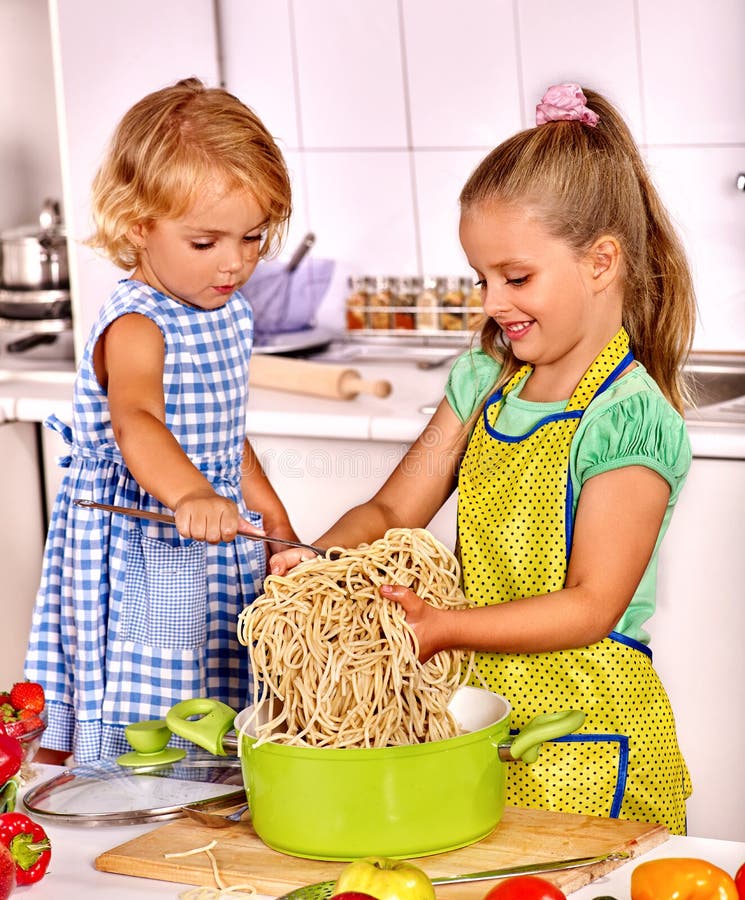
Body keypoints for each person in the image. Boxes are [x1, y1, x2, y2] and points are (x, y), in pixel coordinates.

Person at [271, 84, 697, 834]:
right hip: (477, 708)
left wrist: (443, 628)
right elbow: (392, 508)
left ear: (601, 262)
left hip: (587, 724)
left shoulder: (628, 421)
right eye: (482, 279)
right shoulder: (484, 381)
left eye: (516, 277)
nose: (492, 303)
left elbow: (590, 605)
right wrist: (322, 560)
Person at [25, 77, 300, 764]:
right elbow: (138, 422)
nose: (235, 262)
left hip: (209, 528)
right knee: (156, 698)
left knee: (215, 682)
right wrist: (189, 493)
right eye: (205, 242)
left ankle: (205, 794)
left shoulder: (227, 310)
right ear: (138, 224)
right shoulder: (138, 322)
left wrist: (269, 512)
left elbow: (222, 431)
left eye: (252, 237)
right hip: (146, 540)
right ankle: (135, 789)